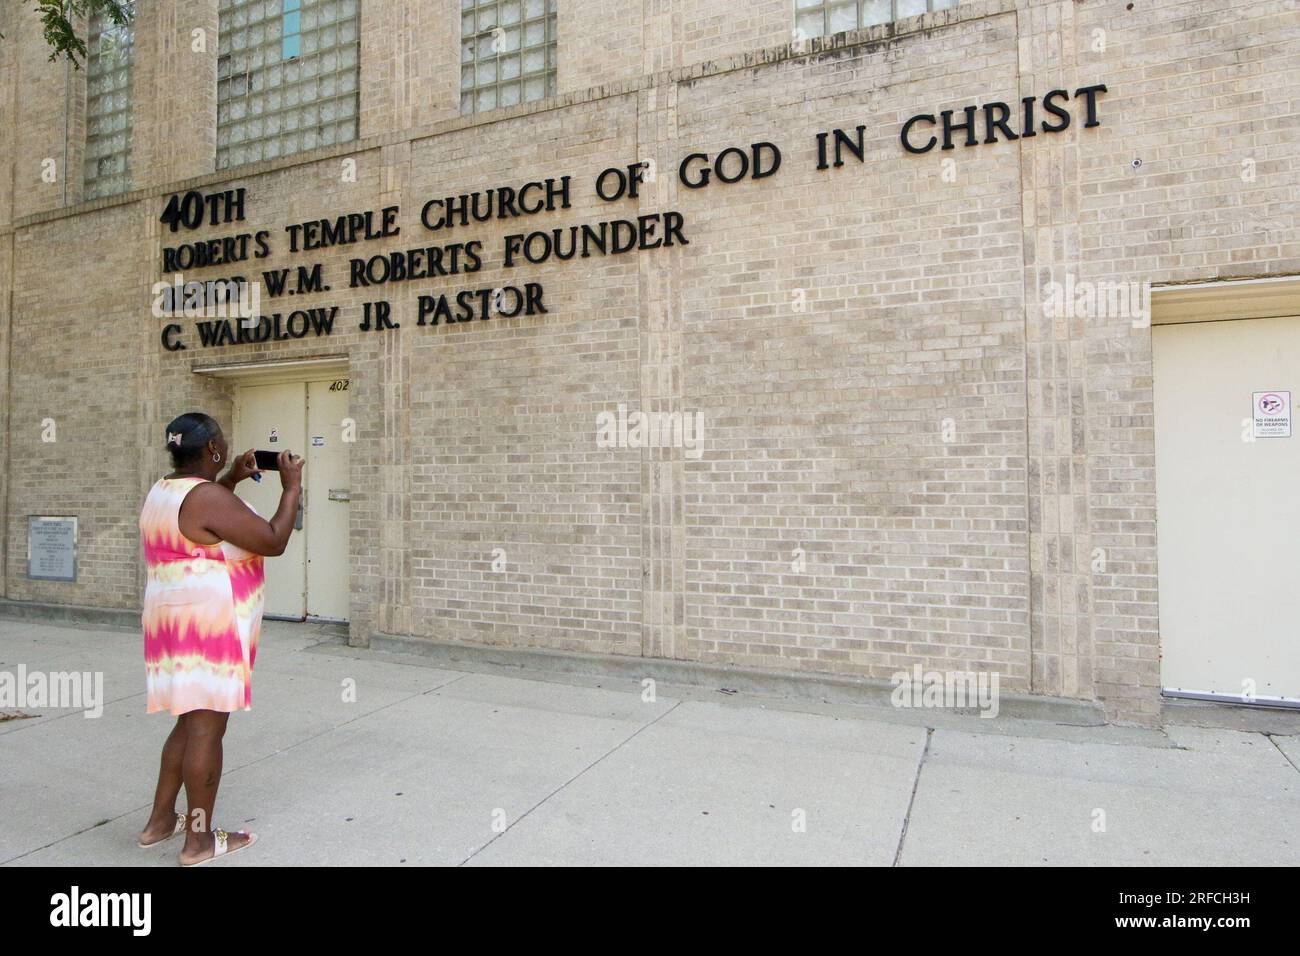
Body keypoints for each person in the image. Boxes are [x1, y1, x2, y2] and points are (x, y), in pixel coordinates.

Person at [135, 411, 303, 865]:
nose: (226, 446)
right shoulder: (206, 497)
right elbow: (272, 539)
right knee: (208, 728)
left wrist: (230, 479)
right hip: (209, 626)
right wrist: (290, 489)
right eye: (222, 444)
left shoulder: (165, 490)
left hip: (173, 622)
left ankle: (159, 823)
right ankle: (198, 841)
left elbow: (203, 528)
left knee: (189, 722)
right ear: (212, 449)